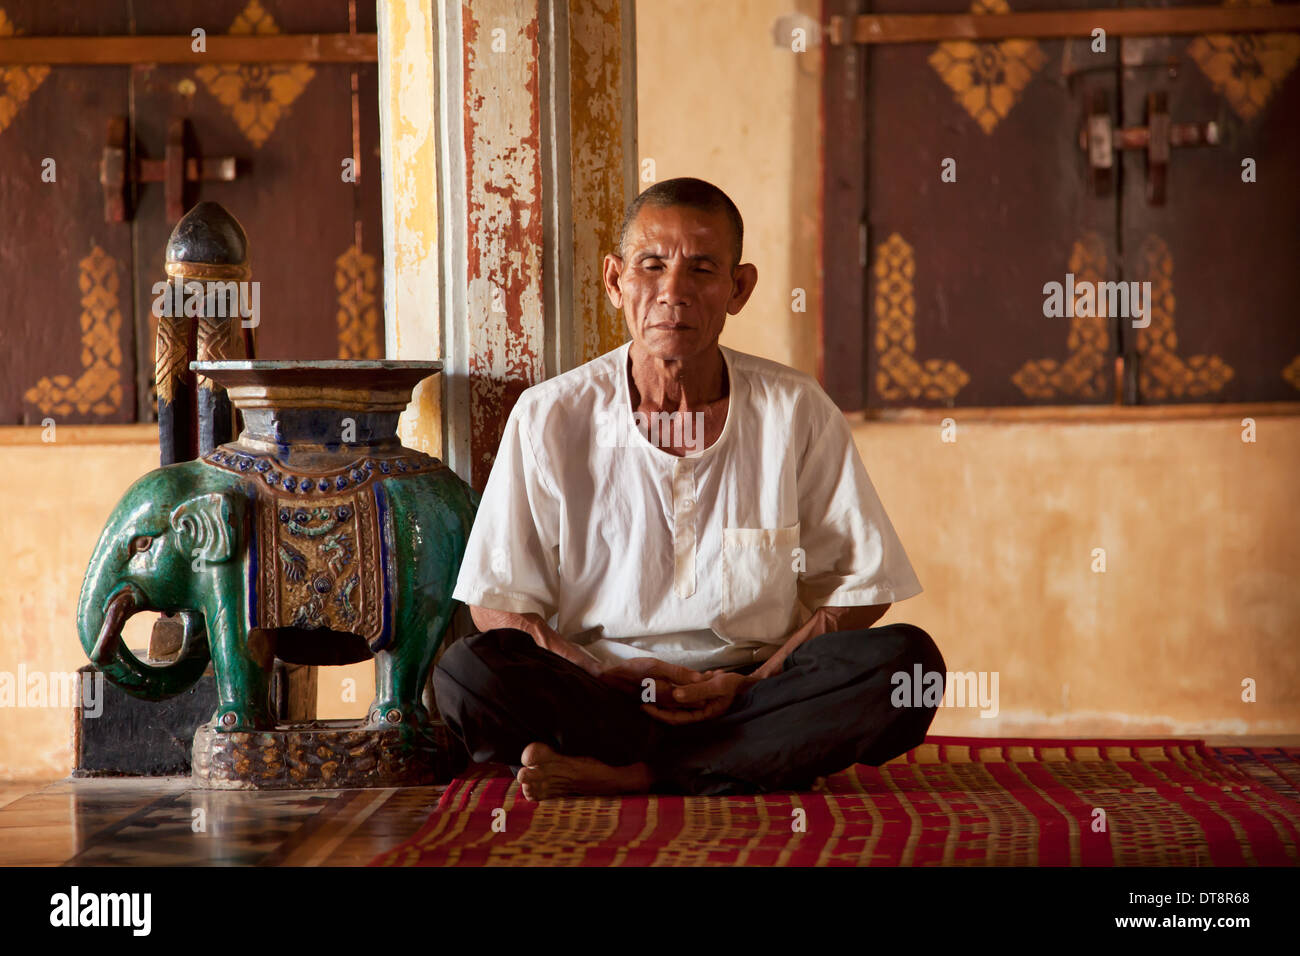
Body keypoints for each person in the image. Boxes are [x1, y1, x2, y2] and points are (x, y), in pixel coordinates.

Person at [434, 177, 945, 800]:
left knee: (906, 666)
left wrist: (756, 681)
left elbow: (862, 586)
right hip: (602, 692)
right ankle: (736, 764)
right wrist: (599, 671)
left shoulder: (795, 409)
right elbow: (498, 601)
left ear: (739, 288)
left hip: (753, 691)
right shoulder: (552, 415)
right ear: (615, 279)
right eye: (651, 265)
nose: (672, 292)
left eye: (702, 269)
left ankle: (640, 775)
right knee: (465, 675)